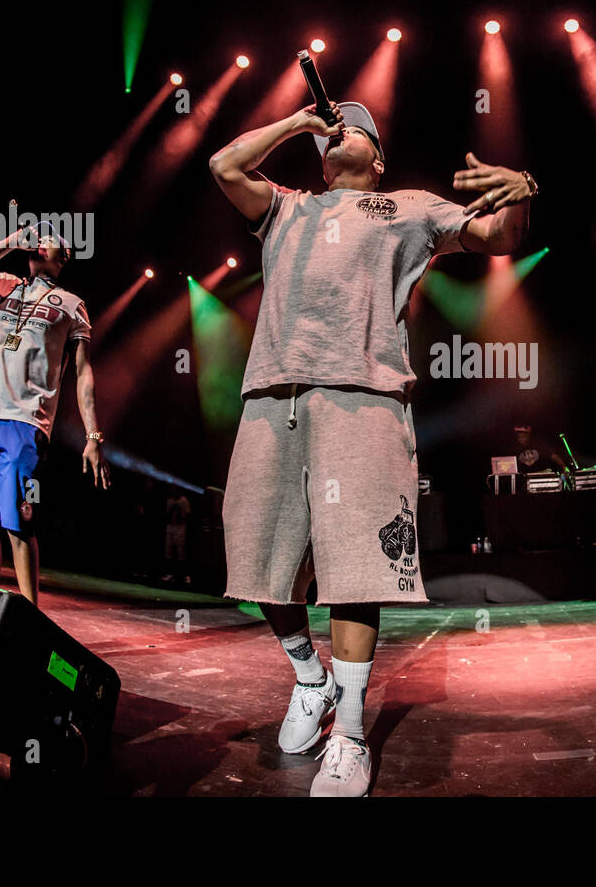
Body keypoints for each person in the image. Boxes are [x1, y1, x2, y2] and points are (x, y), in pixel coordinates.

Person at [209, 97, 535, 796]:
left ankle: (351, 736)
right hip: (273, 395)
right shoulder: (286, 207)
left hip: (363, 396)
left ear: (377, 157)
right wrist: (299, 122)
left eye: (348, 127)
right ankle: (310, 679)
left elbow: (500, 236)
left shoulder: (408, 207)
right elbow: (224, 163)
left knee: (358, 567)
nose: (335, 135)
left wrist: (523, 191)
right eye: (329, 130)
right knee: (259, 563)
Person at [0, 216, 110, 604]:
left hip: (26, 424)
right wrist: (9, 240)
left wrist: (93, 436)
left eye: (51, 240)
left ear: (65, 256)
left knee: (20, 522)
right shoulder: (5, 285)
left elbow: (83, 372)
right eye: (38, 238)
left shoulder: (73, 305)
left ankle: (29, 614)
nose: (41, 242)